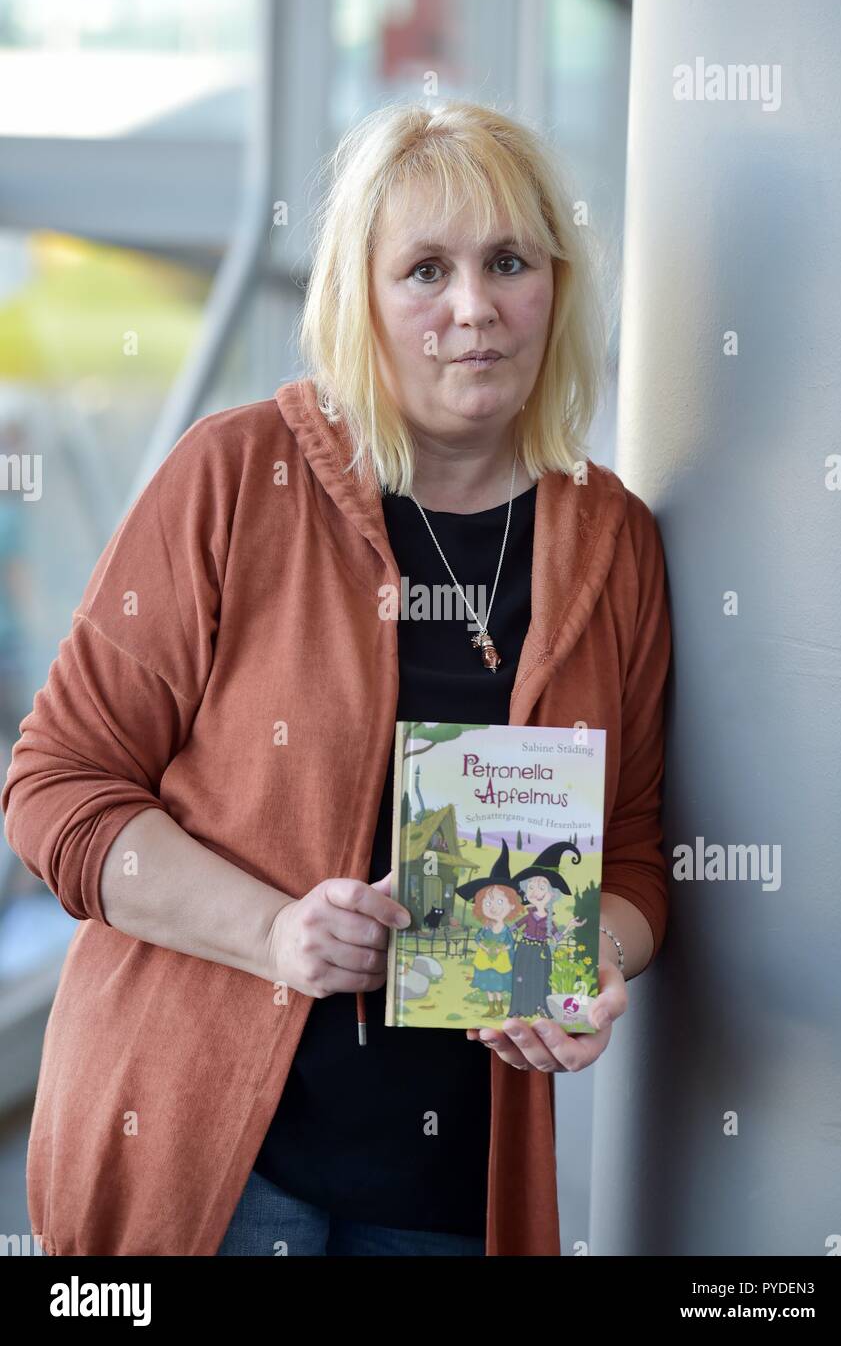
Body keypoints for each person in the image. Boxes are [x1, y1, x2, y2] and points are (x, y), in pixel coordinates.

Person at [1, 99, 672, 1257]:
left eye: (507, 260)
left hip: (454, 1179)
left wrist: (587, 968)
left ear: (553, 286)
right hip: (206, 1161)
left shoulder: (612, 541)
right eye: (424, 270)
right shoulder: (231, 475)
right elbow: (56, 789)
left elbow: (637, 857)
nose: (474, 308)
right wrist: (274, 934)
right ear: (358, 297)